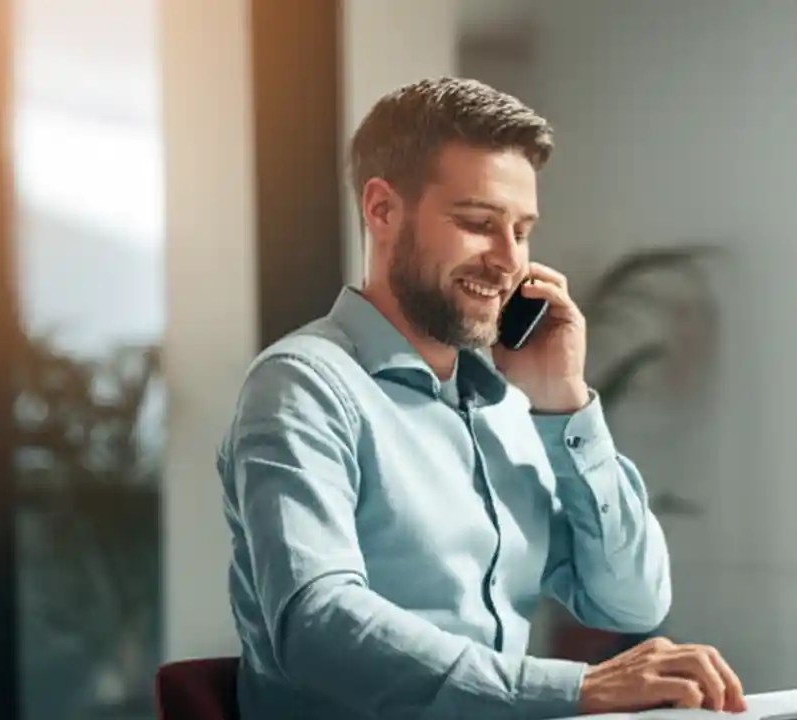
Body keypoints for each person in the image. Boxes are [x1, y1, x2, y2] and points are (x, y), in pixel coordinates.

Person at [218, 76, 746, 719]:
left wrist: (564, 402)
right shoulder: (303, 385)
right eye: (477, 224)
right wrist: (573, 690)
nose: (508, 261)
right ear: (382, 210)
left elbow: (631, 600)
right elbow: (317, 625)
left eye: (521, 231)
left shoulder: (506, 408)